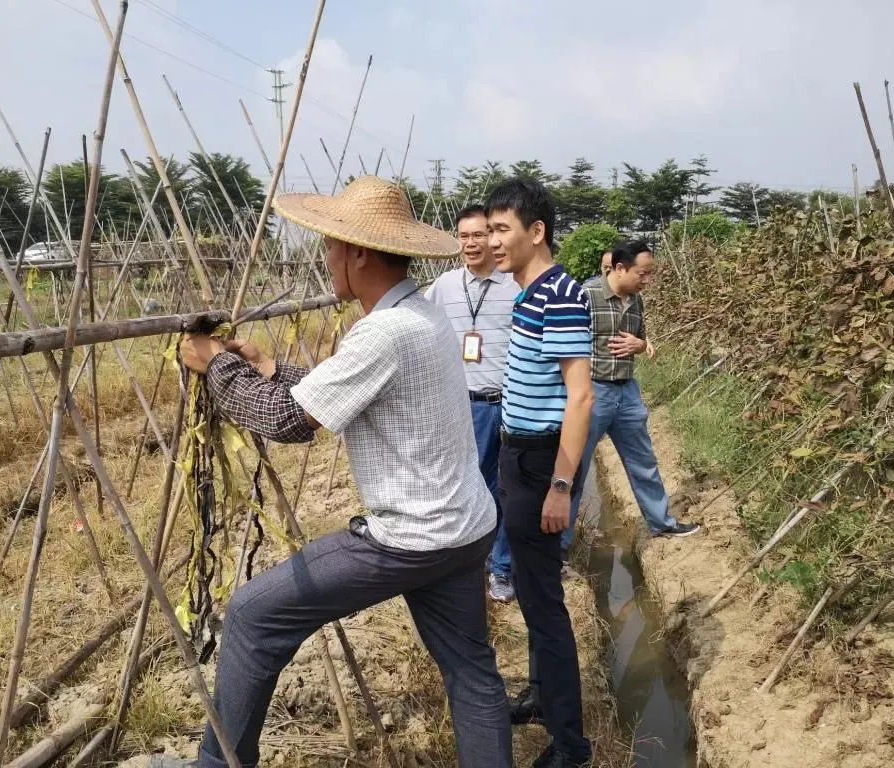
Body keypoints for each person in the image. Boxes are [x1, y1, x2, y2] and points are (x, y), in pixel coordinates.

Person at [175, 176, 513, 768]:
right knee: (471, 670)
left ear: (357, 252)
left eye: (330, 245)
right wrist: (269, 364)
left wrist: (214, 369)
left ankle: (217, 764)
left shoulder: (383, 332)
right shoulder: (420, 315)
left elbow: (288, 420)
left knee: (253, 614)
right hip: (466, 526)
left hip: (412, 537)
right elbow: (333, 391)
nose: (325, 257)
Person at [486, 177, 594, 768]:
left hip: (540, 464)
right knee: (530, 592)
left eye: (503, 229)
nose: (494, 241)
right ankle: (540, 693)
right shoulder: (529, 293)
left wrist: (560, 487)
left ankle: (572, 746)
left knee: (546, 604)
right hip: (517, 455)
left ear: (537, 232)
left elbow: (580, 398)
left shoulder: (563, 296)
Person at [561, 240, 700, 560]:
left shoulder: (636, 301)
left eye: (649, 274)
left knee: (644, 461)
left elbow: (641, 339)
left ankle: (661, 523)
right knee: (576, 467)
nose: (647, 280)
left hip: (628, 391)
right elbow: (567, 341)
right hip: (593, 393)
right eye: (642, 273)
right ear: (620, 268)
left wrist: (639, 345)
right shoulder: (587, 296)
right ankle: (560, 546)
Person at [426, 204, 520, 603]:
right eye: (463, 236)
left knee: (506, 488)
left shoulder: (514, 286)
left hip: (507, 402)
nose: (470, 243)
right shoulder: (444, 287)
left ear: (492, 237)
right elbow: (418, 327)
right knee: (463, 484)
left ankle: (500, 568)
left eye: (478, 235)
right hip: (459, 403)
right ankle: (466, 562)